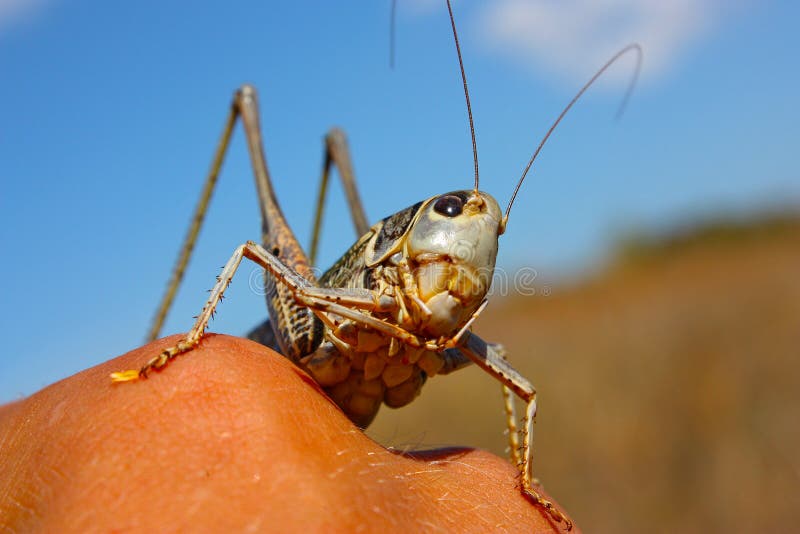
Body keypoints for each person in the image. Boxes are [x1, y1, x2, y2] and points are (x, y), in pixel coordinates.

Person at [0, 334, 574, 531]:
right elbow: (254, 255)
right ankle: (178, 336)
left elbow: (523, 388)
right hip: (314, 328)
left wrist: (525, 484)